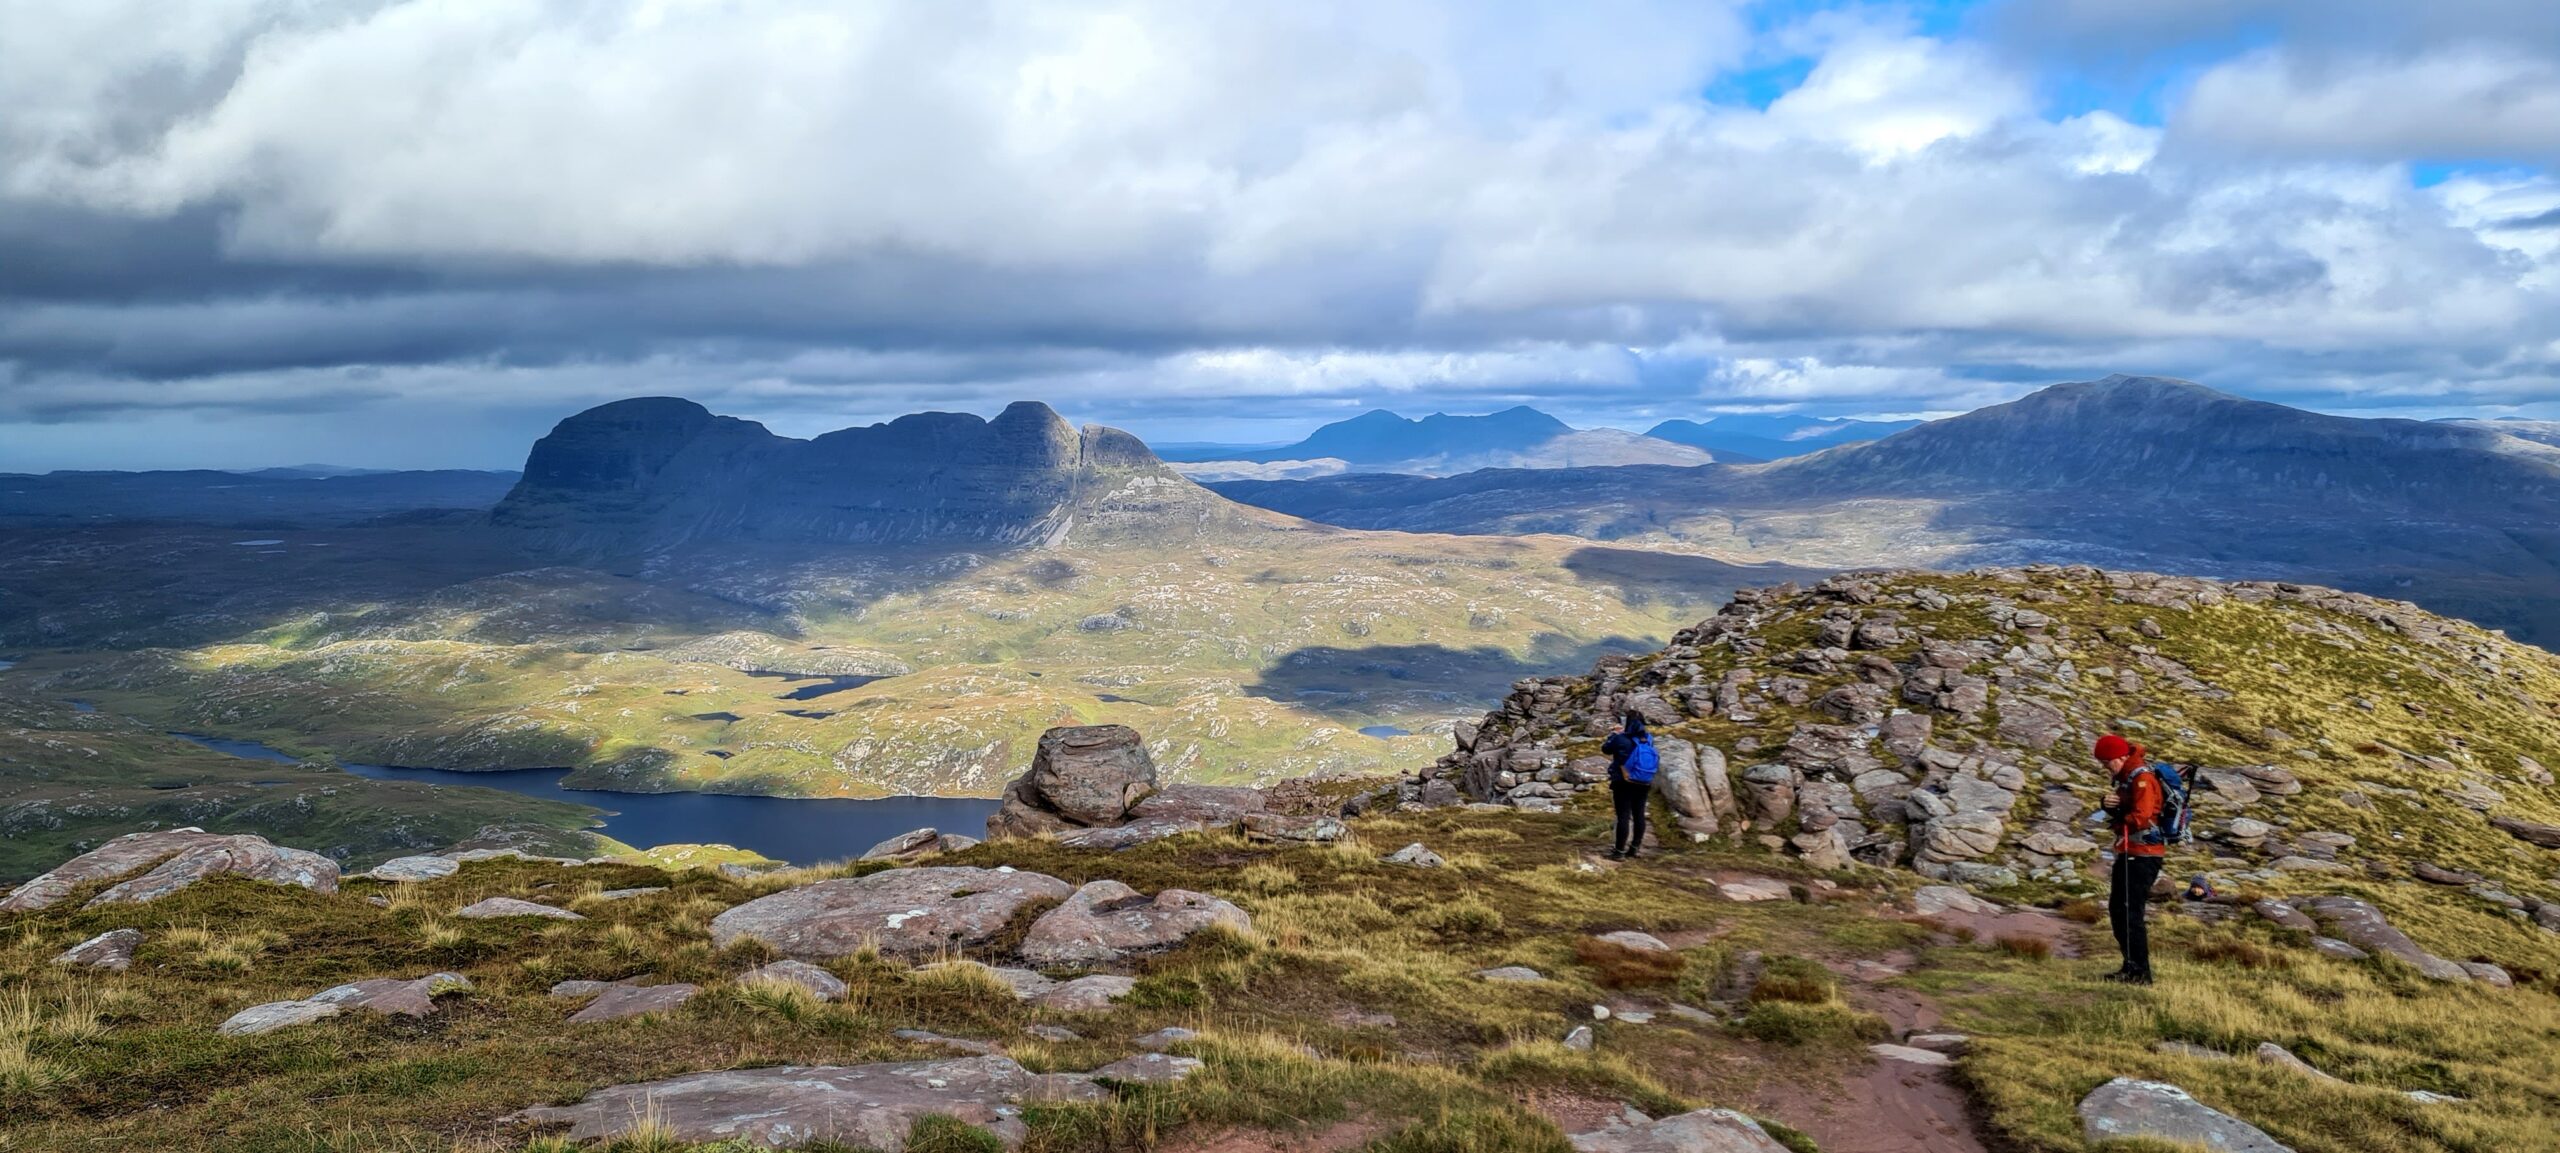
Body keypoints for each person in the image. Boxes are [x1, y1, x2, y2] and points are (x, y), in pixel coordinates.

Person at [2096, 733, 2166, 984]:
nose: (2107, 767)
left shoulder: (2142, 779)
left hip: (2143, 854)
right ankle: (2131, 967)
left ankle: (2140, 973)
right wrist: (2108, 804)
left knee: (2129, 913)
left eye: (2107, 762)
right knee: (2120, 910)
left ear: (2121, 757)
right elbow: (2129, 808)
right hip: (2131, 853)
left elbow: (2142, 816)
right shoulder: (2129, 778)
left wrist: (2117, 821)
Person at [1600, 712, 1656, 860]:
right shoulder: (1648, 739)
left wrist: (1613, 735)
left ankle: (1619, 852)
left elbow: (1606, 749)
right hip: (1643, 782)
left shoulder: (1620, 739)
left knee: (1623, 816)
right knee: (1639, 815)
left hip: (1623, 782)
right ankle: (1635, 849)